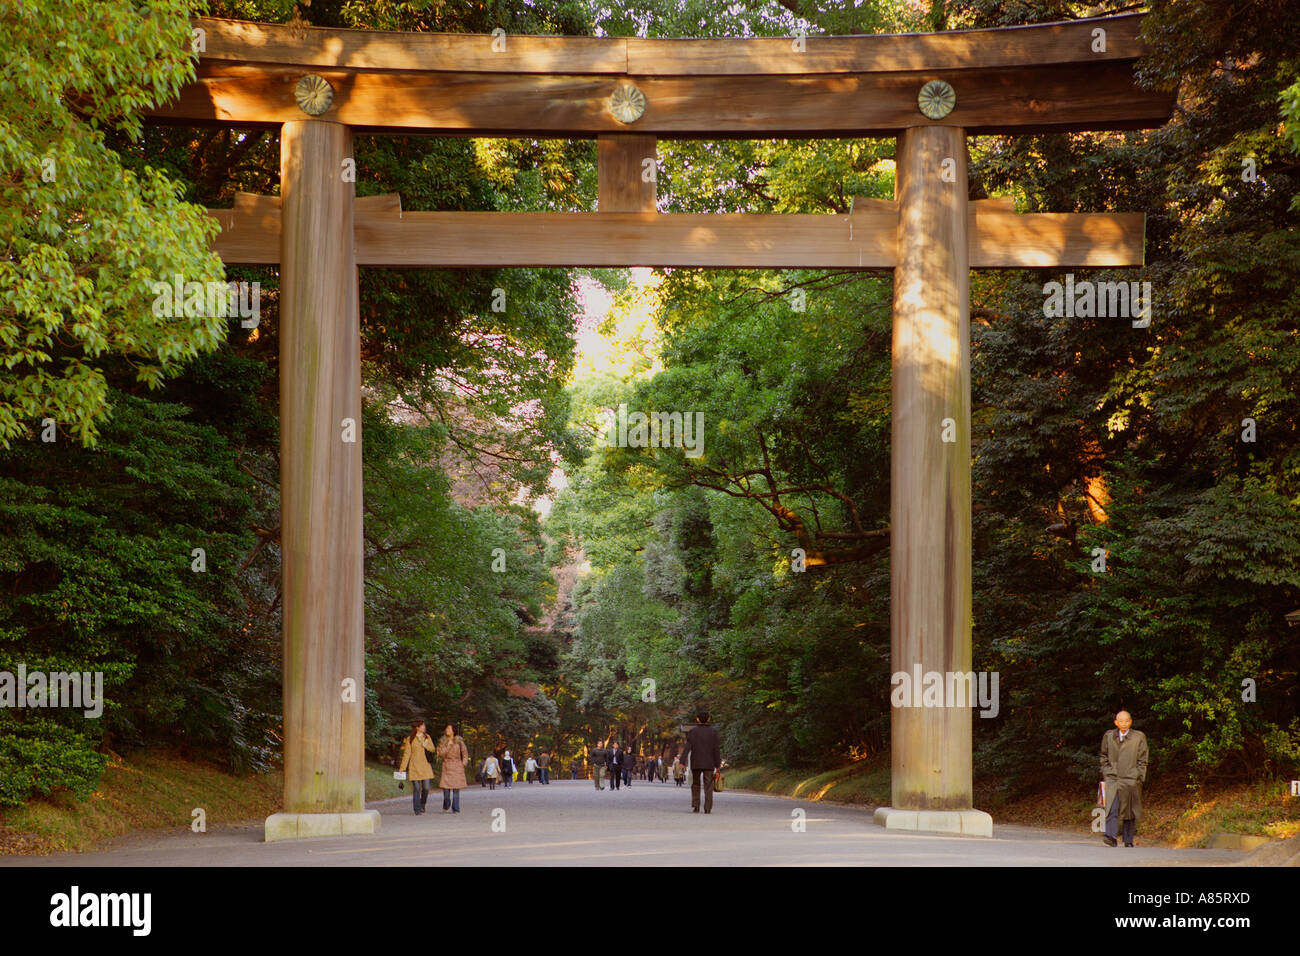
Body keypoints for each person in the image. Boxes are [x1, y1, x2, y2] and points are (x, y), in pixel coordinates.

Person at [1100, 710, 1148, 847]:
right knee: (1111, 807)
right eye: (1121, 721)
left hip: (1131, 777)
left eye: (1127, 721)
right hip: (1113, 778)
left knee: (1129, 810)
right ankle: (1110, 836)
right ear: (1116, 722)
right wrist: (1107, 771)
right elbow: (1103, 755)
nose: (1124, 724)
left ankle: (1128, 839)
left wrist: (1138, 776)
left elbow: (1143, 759)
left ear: (1131, 722)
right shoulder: (1109, 736)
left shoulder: (1138, 737)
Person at [680, 710, 721, 813]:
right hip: (709, 762)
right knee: (708, 785)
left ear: (697, 719)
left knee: (696, 784)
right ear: (708, 719)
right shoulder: (713, 732)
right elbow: (716, 749)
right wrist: (718, 764)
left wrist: (682, 761)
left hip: (696, 762)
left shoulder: (692, 732)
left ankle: (696, 806)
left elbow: (687, 748)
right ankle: (708, 808)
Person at [398, 721, 437, 815]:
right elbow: (407, 754)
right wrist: (402, 768)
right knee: (416, 788)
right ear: (417, 727)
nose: (424, 727)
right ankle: (417, 809)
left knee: (426, 788)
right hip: (414, 766)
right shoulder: (410, 739)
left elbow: (433, 749)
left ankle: (422, 804)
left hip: (425, 766)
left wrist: (426, 745)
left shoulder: (427, 737)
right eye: (422, 725)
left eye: (424, 725)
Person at [437, 722, 470, 813]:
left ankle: (455, 808)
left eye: (449, 729)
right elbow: (441, 754)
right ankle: (446, 804)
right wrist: (449, 745)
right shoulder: (443, 741)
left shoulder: (459, 741)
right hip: (447, 766)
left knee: (456, 789)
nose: (447, 730)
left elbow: (465, 753)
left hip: (457, 766)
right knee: (446, 789)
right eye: (446, 728)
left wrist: (463, 763)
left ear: (453, 731)